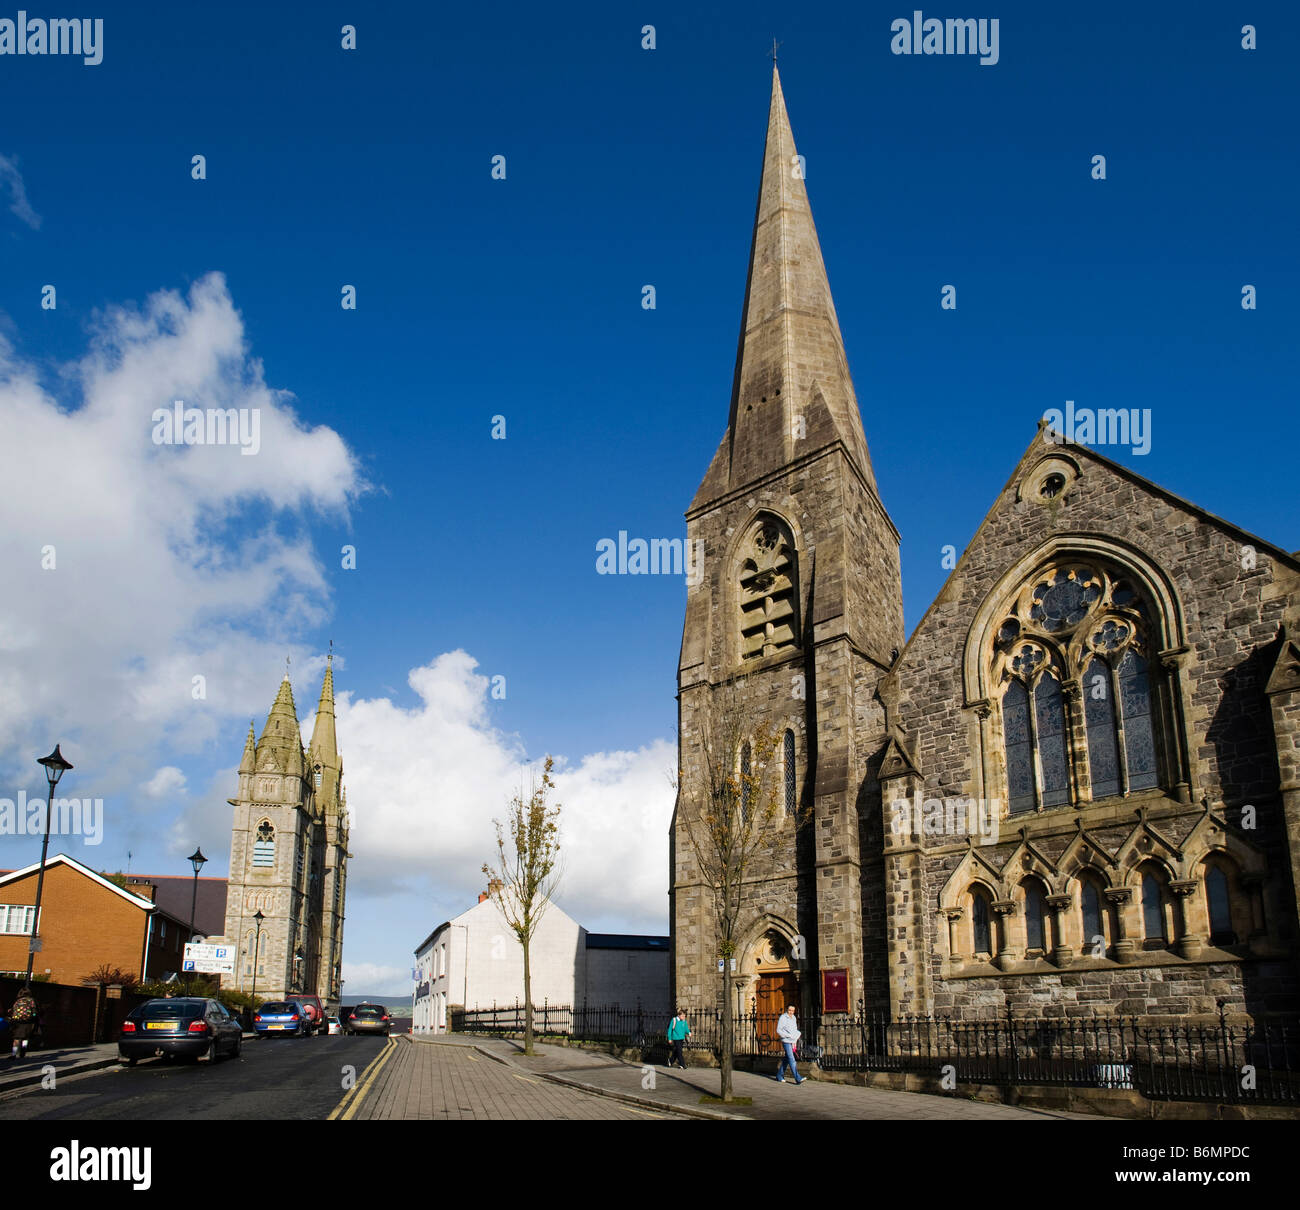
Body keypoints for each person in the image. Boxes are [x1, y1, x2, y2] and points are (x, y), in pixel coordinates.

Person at [775, 1004, 804, 1084]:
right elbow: (779, 1030)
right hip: (786, 1041)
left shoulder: (794, 1018)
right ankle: (798, 1078)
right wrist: (788, 1036)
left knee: (787, 1059)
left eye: (793, 1011)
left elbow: (794, 1029)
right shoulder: (783, 1018)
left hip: (792, 1041)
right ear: (786, 1010)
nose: (791, 1012)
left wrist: (795, 1037)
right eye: (790, 1010)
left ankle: (779, 1075)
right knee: (792, 1059)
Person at [9, 987, 38, 1061]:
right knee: (26, 1037)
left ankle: (13, 1054)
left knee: (16, 1038)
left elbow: (13, 1010)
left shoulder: (18, 1001)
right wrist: (34, 1017)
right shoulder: (31, 1000)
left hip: (17, 1021)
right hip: (28, 1021)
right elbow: (34, 1011)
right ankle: (23, 1050)